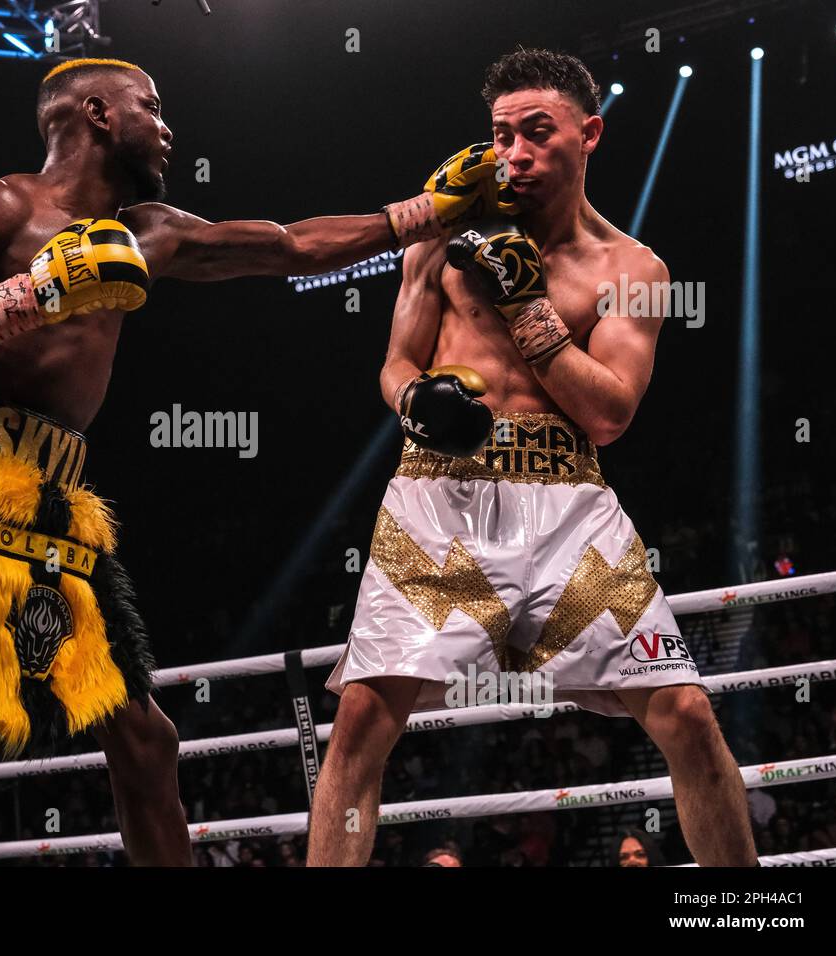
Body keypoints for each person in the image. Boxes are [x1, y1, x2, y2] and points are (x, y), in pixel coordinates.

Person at [0, 57, 472, 866]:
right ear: (96, 113)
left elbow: (291, 246)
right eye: (152, 108)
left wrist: (425, 211)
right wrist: (38, 292)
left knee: (144, 741)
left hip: (49, 503)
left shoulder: (150, 231)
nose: (167, 129)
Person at [307, 48, 756, 867]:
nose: (512, 152)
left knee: (687, 716)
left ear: (589, 135)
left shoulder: (636, 269)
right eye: (500, 134)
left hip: (569, 505)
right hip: (440, 497)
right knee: (361, 724)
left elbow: (611, 412)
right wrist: (415, 403)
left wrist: (524, 301)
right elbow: (396, 364)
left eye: (535, 133)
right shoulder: (439, 242)